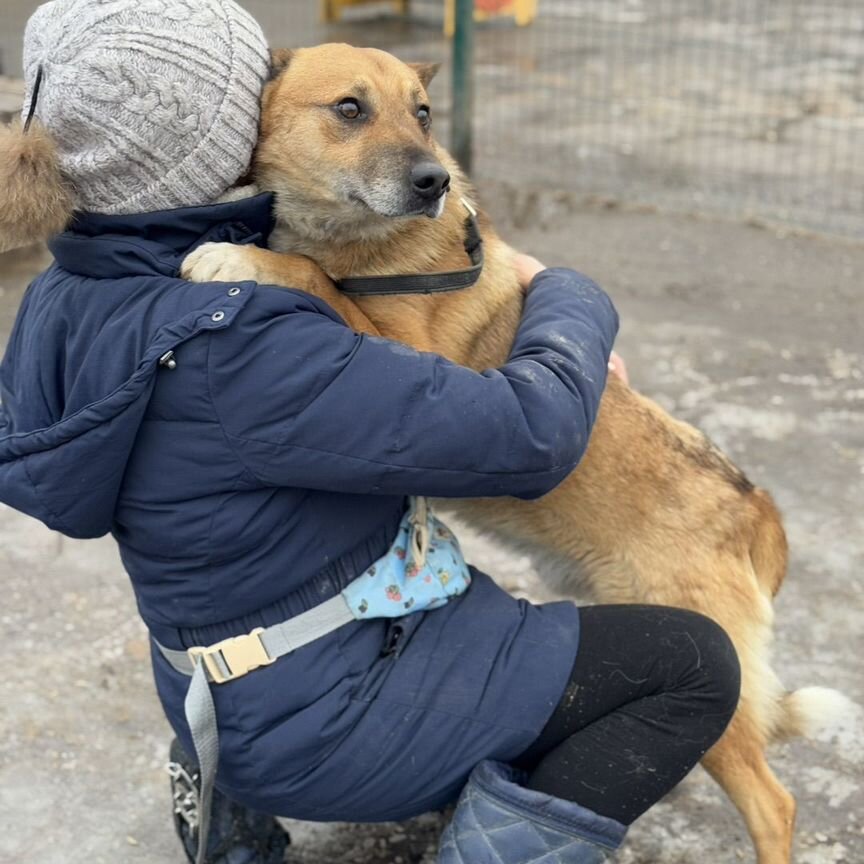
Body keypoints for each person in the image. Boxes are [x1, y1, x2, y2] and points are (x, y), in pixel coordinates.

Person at [0, 2, 740, 863]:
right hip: (325, 719)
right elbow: (533, 438)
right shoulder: (246, 330)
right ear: (222, 135)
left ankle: (229, 816)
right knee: (692, 663)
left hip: (208, 684)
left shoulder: (69, 287)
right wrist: (567, 295)